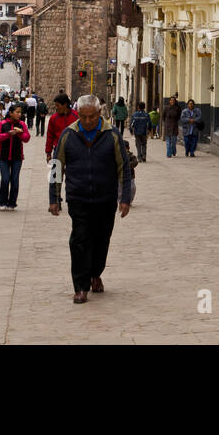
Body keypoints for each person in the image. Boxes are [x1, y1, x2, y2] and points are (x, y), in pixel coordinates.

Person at [49, 95, 134, 304]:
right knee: (79, 240)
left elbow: (124, 166)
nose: (87, 121)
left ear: (100, 113)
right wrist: (54, 197)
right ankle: (80, 285)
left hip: (105, 198)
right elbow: (57, 166)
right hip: (78, 197)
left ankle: (96, 273)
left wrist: (125, 198)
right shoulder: (69, 135)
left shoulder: (112, 134)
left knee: (101, 240)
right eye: (84, 117)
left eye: (92, 117)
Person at [0, 102, 32, 211]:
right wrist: (8, 134)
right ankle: (2, 201)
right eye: (17, 112)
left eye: (20, 112)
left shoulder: (22, 125)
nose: (19, 114)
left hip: (17, 157)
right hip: (4, 157)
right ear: (10, 113)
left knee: (15, 180)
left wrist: (19, 133)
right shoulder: (2, 124)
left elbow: (26, 138)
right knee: (5, 179)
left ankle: (12, 202)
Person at [45, 93, 78, 162]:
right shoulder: (53, 118)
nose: (56, 108)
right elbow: (50, 136)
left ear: (65, 104)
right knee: (56, 172)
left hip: (74, 150)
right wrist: (48, 153)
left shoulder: (77, 117)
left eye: (58, 105)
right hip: (58, 150)